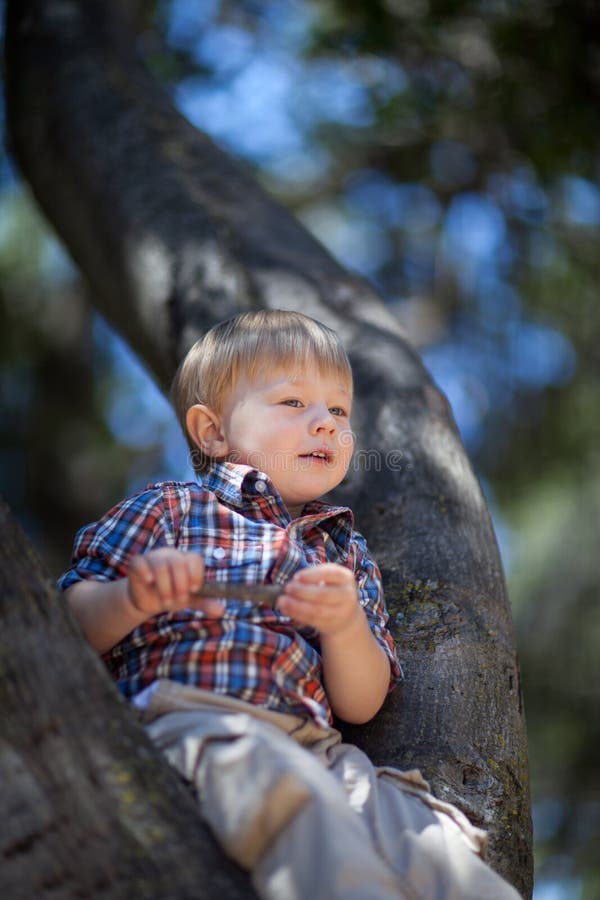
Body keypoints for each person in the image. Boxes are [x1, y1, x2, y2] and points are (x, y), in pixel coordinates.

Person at [58, 310, 520, 899]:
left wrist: (345, 623)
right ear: (212, 433)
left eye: (338, 411)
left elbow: (360, 701)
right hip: (194, 723)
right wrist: (132, 597)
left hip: (319, 752)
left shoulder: (343, 552)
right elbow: (69, 619)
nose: (325, 424)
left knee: (424, 840)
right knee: (300, 815)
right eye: (294, 403)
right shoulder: (169, 510)